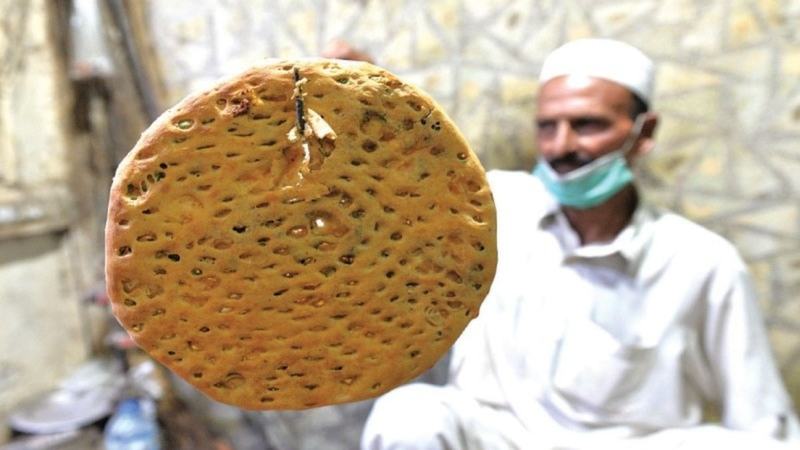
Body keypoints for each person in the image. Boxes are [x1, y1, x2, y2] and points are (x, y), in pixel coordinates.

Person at [360, 38, 800, 449]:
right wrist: (362, 96)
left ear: (644, 134)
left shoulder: (701, 262)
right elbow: (401, 178)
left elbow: (762, 420)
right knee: (409, 412)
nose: (561, 145)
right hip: (497, 437)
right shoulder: (493, 213)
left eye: (587, 125)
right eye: (547, 127)